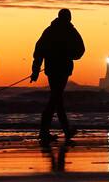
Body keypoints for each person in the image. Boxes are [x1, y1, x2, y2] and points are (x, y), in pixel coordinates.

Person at [31, 8, 86, 140]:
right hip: (62, 69)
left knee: (57, 99)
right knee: (55, 99)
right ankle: (47, 132)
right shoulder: (70, 31)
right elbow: (80, 50)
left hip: (53, 69)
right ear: (68, 18)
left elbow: (39, 51)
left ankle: (63, 131)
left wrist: (35, 71)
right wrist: (70, 55)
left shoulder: (50, 31)